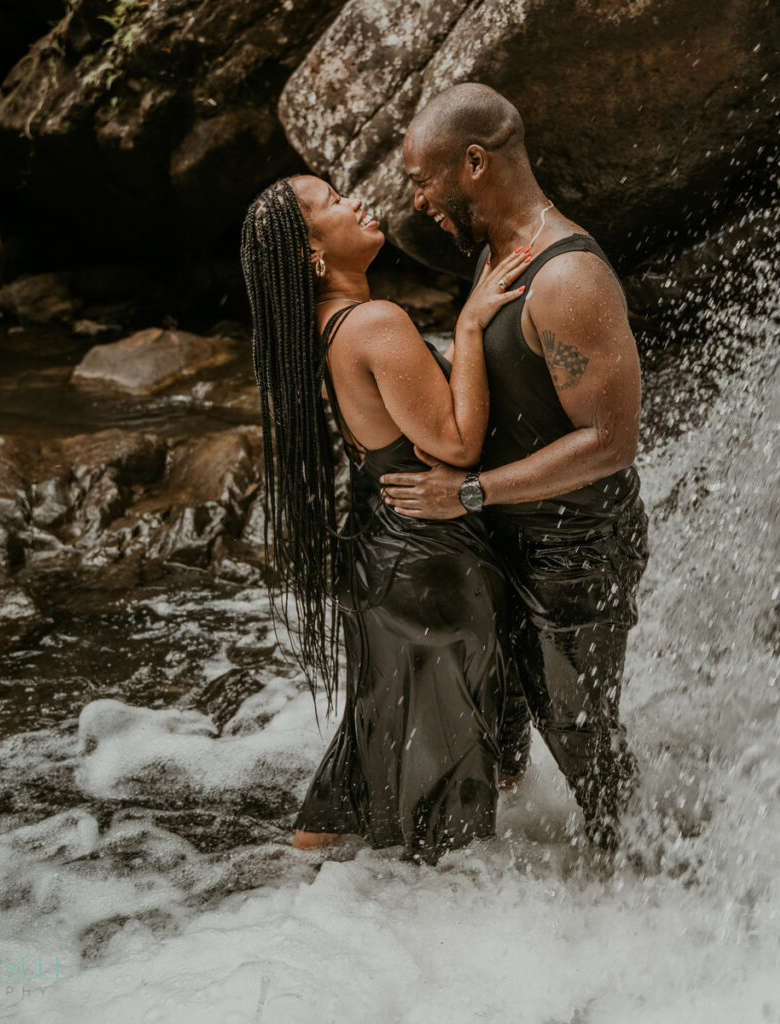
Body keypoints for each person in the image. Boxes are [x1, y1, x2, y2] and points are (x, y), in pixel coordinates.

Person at [377, 84, 650, 852]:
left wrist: (467, 491)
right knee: (497, 725)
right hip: (505, 539)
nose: (418, 200)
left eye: (421, 180)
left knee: (584, 744)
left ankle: (639, 880)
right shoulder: (496, 255)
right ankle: (502, 873)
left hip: (576, 551)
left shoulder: (567, 278)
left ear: (473, 162)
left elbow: (610, 440)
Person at [239, 173, 533, 864]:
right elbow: (455, 443)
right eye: (333, 202)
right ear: (313, 251)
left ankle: (300, 899)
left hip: (382, 565)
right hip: (430, 568)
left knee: (379, 750)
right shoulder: (374, 324)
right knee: (448, 804)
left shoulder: (315, 332)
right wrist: (467, 322)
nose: (355, 200)